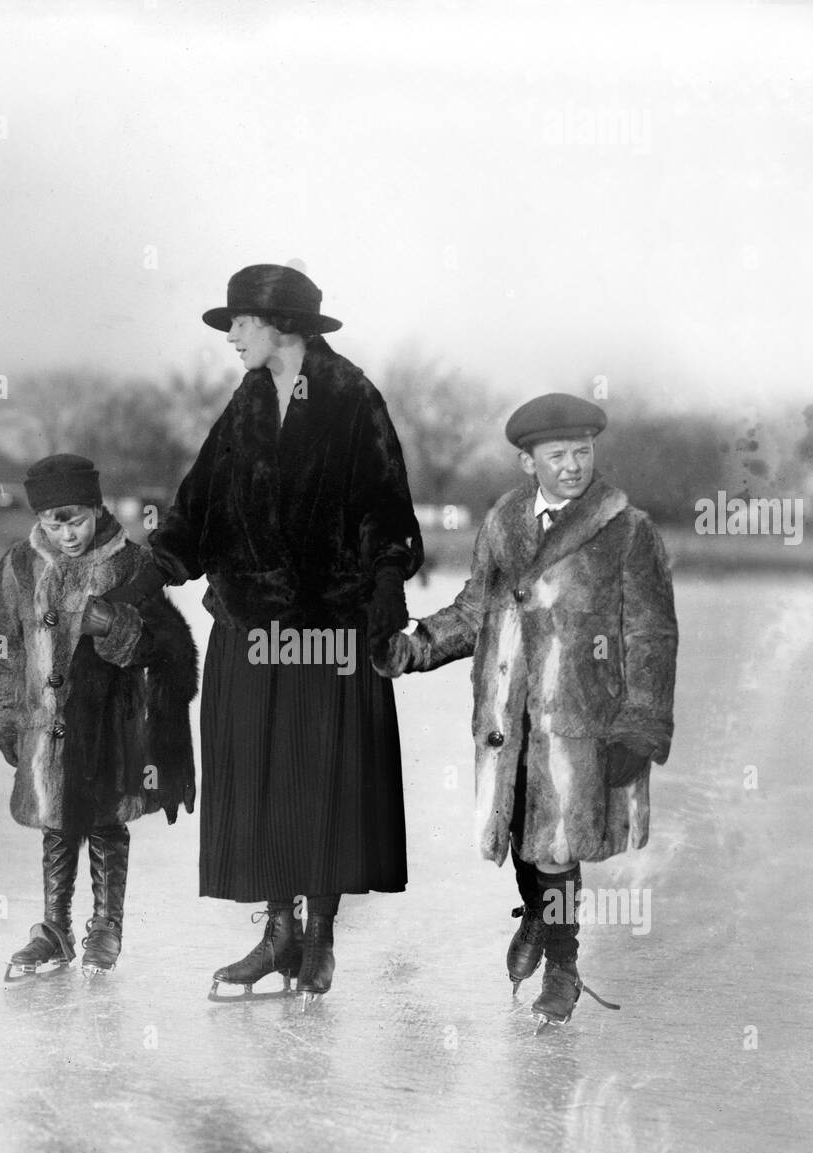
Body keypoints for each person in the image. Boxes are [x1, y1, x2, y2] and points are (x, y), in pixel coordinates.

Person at [126, 263, 423, 1003]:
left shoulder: (352, 397)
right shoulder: (247, 403)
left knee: (319, 777)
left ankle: (319, 934)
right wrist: (159, 562)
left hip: (329, 626)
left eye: (241, 323)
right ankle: (279, 931)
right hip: (252, 622)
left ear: (280, 325)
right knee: (261, 777)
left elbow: (387, 508)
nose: (231, 336)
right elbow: (200, 503)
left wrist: (386, 581)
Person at [374, 394, 678, 1023]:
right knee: (520, 836)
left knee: (557, 848)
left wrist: (640, 725)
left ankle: (564, 965)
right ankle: (540, 916)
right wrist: (416, 645)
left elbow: (652, 635)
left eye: (583, 452)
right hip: (508, 720)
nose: (573, 465)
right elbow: (474, 611)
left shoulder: (628, 531)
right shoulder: (504, 522)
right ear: (526, 460)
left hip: (580, 724)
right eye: (558, 454)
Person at [0, 453, 198, 981]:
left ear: (97, 509)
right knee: (55, 818)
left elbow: (164, 645)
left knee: (105, 818)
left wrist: (116, 630)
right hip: (44, 721)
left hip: (110, 720)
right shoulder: (19, 565)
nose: (67, 534)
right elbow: (3, 644)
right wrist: (5, 713)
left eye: (76, 519)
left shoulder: (129, 563)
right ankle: (54, 928)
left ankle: (106, 926)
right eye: (53, 523)